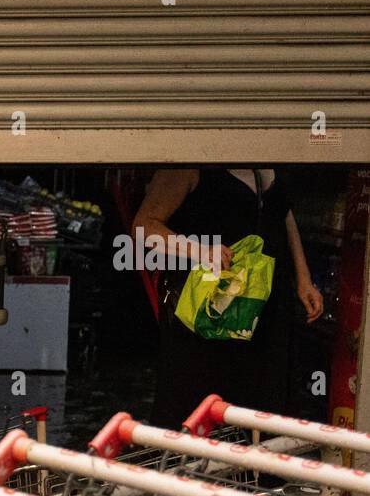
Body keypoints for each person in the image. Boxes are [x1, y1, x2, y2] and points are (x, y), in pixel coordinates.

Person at [134, 169, 324, 428]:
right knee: (201, 401)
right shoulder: (189, 165)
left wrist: (304, 278)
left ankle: (257, 465)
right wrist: (200, 251)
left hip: (264, 308)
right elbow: (144, 226)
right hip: (209, 310)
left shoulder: (268, 160)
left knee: (263, 403)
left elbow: (283, 215)